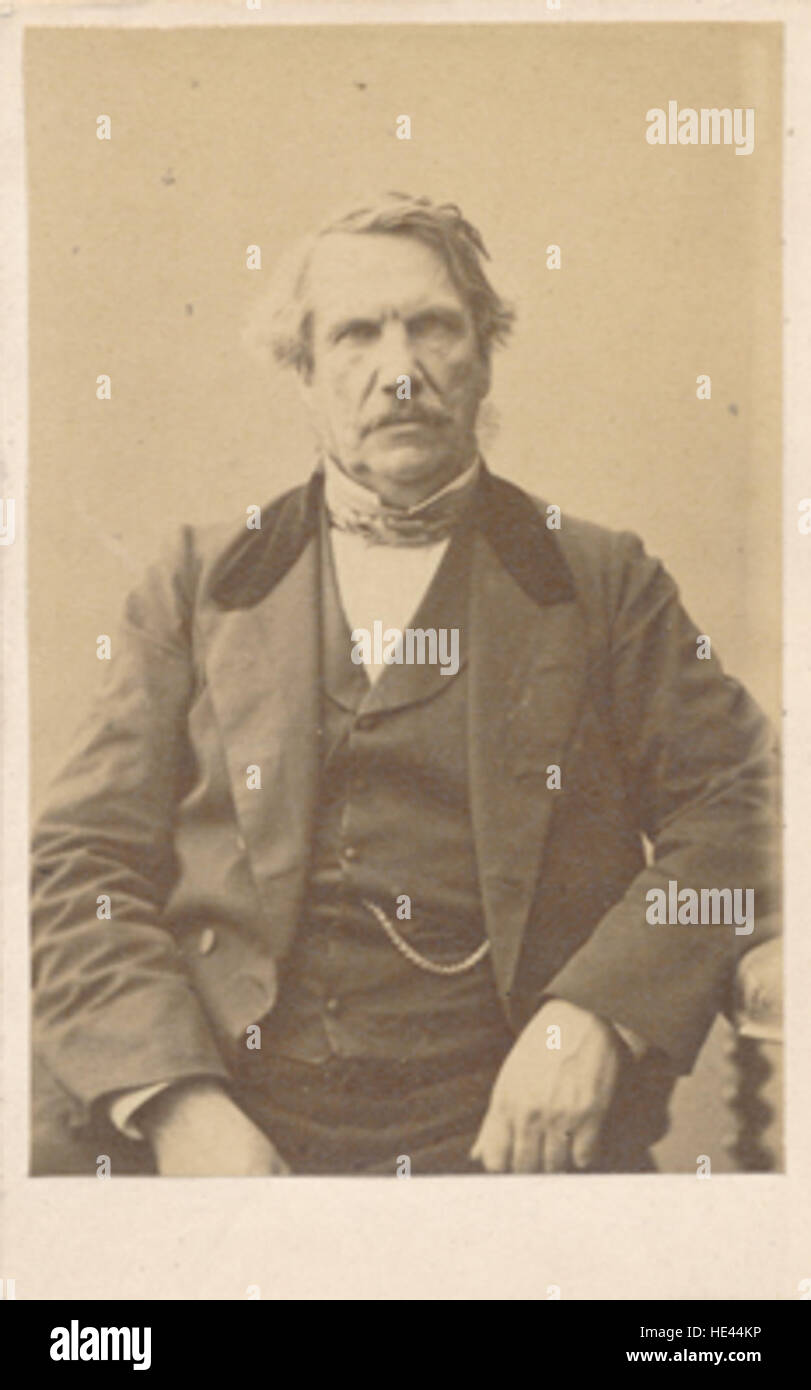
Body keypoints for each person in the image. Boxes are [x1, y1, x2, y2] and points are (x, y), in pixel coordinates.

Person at [31, 192, 779, 1176]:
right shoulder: (195, 583)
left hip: (514, 1140)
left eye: (433, 326)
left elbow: (745, 809)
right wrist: (177, 1101)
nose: (400, 373)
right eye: (354, 334)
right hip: (231, 1117)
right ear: (301, 370)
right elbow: (80, 864)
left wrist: (595, 1013)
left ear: (484, 351)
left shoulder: (599, 581)